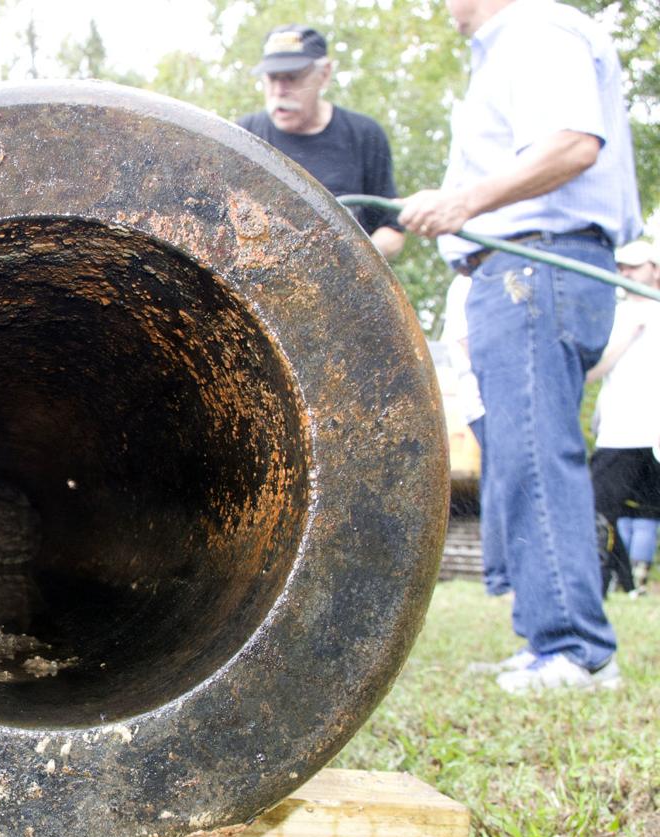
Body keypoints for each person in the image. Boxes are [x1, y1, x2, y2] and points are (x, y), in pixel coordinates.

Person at [399, 0, 643, 693]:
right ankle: (549, 640)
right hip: (520, 269)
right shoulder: (509, 47)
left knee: (536, 452)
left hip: (535, 263)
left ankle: (577, 651)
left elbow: (572, 143)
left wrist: (463, 203)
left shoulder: (536, 31)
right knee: (516, 454)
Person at [237, 25, 405, 259]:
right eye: (272, 78)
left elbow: (392, 230)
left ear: (324, 74)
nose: (279, 91)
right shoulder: (244, 136)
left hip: (345, 288)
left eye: (292, 78)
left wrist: (352, 264)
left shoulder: (365, 135)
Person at [586, 240, 660, 597]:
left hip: (655, 432)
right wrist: (629, 337)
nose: (625, 274)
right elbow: (593, 373)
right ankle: (607, 588)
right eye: (622, 267)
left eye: (634, 267)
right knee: (600, 513)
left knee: (644, 513)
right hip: (620, 432)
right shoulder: (614, 315)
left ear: (655, 269)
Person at [441, 274, 512, 601]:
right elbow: (462, 340)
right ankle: (500, 576)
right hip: (488, 397)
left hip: (501, 396)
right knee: (502, 482)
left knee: (506, 481)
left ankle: (504, 573)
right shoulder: (469, 281)